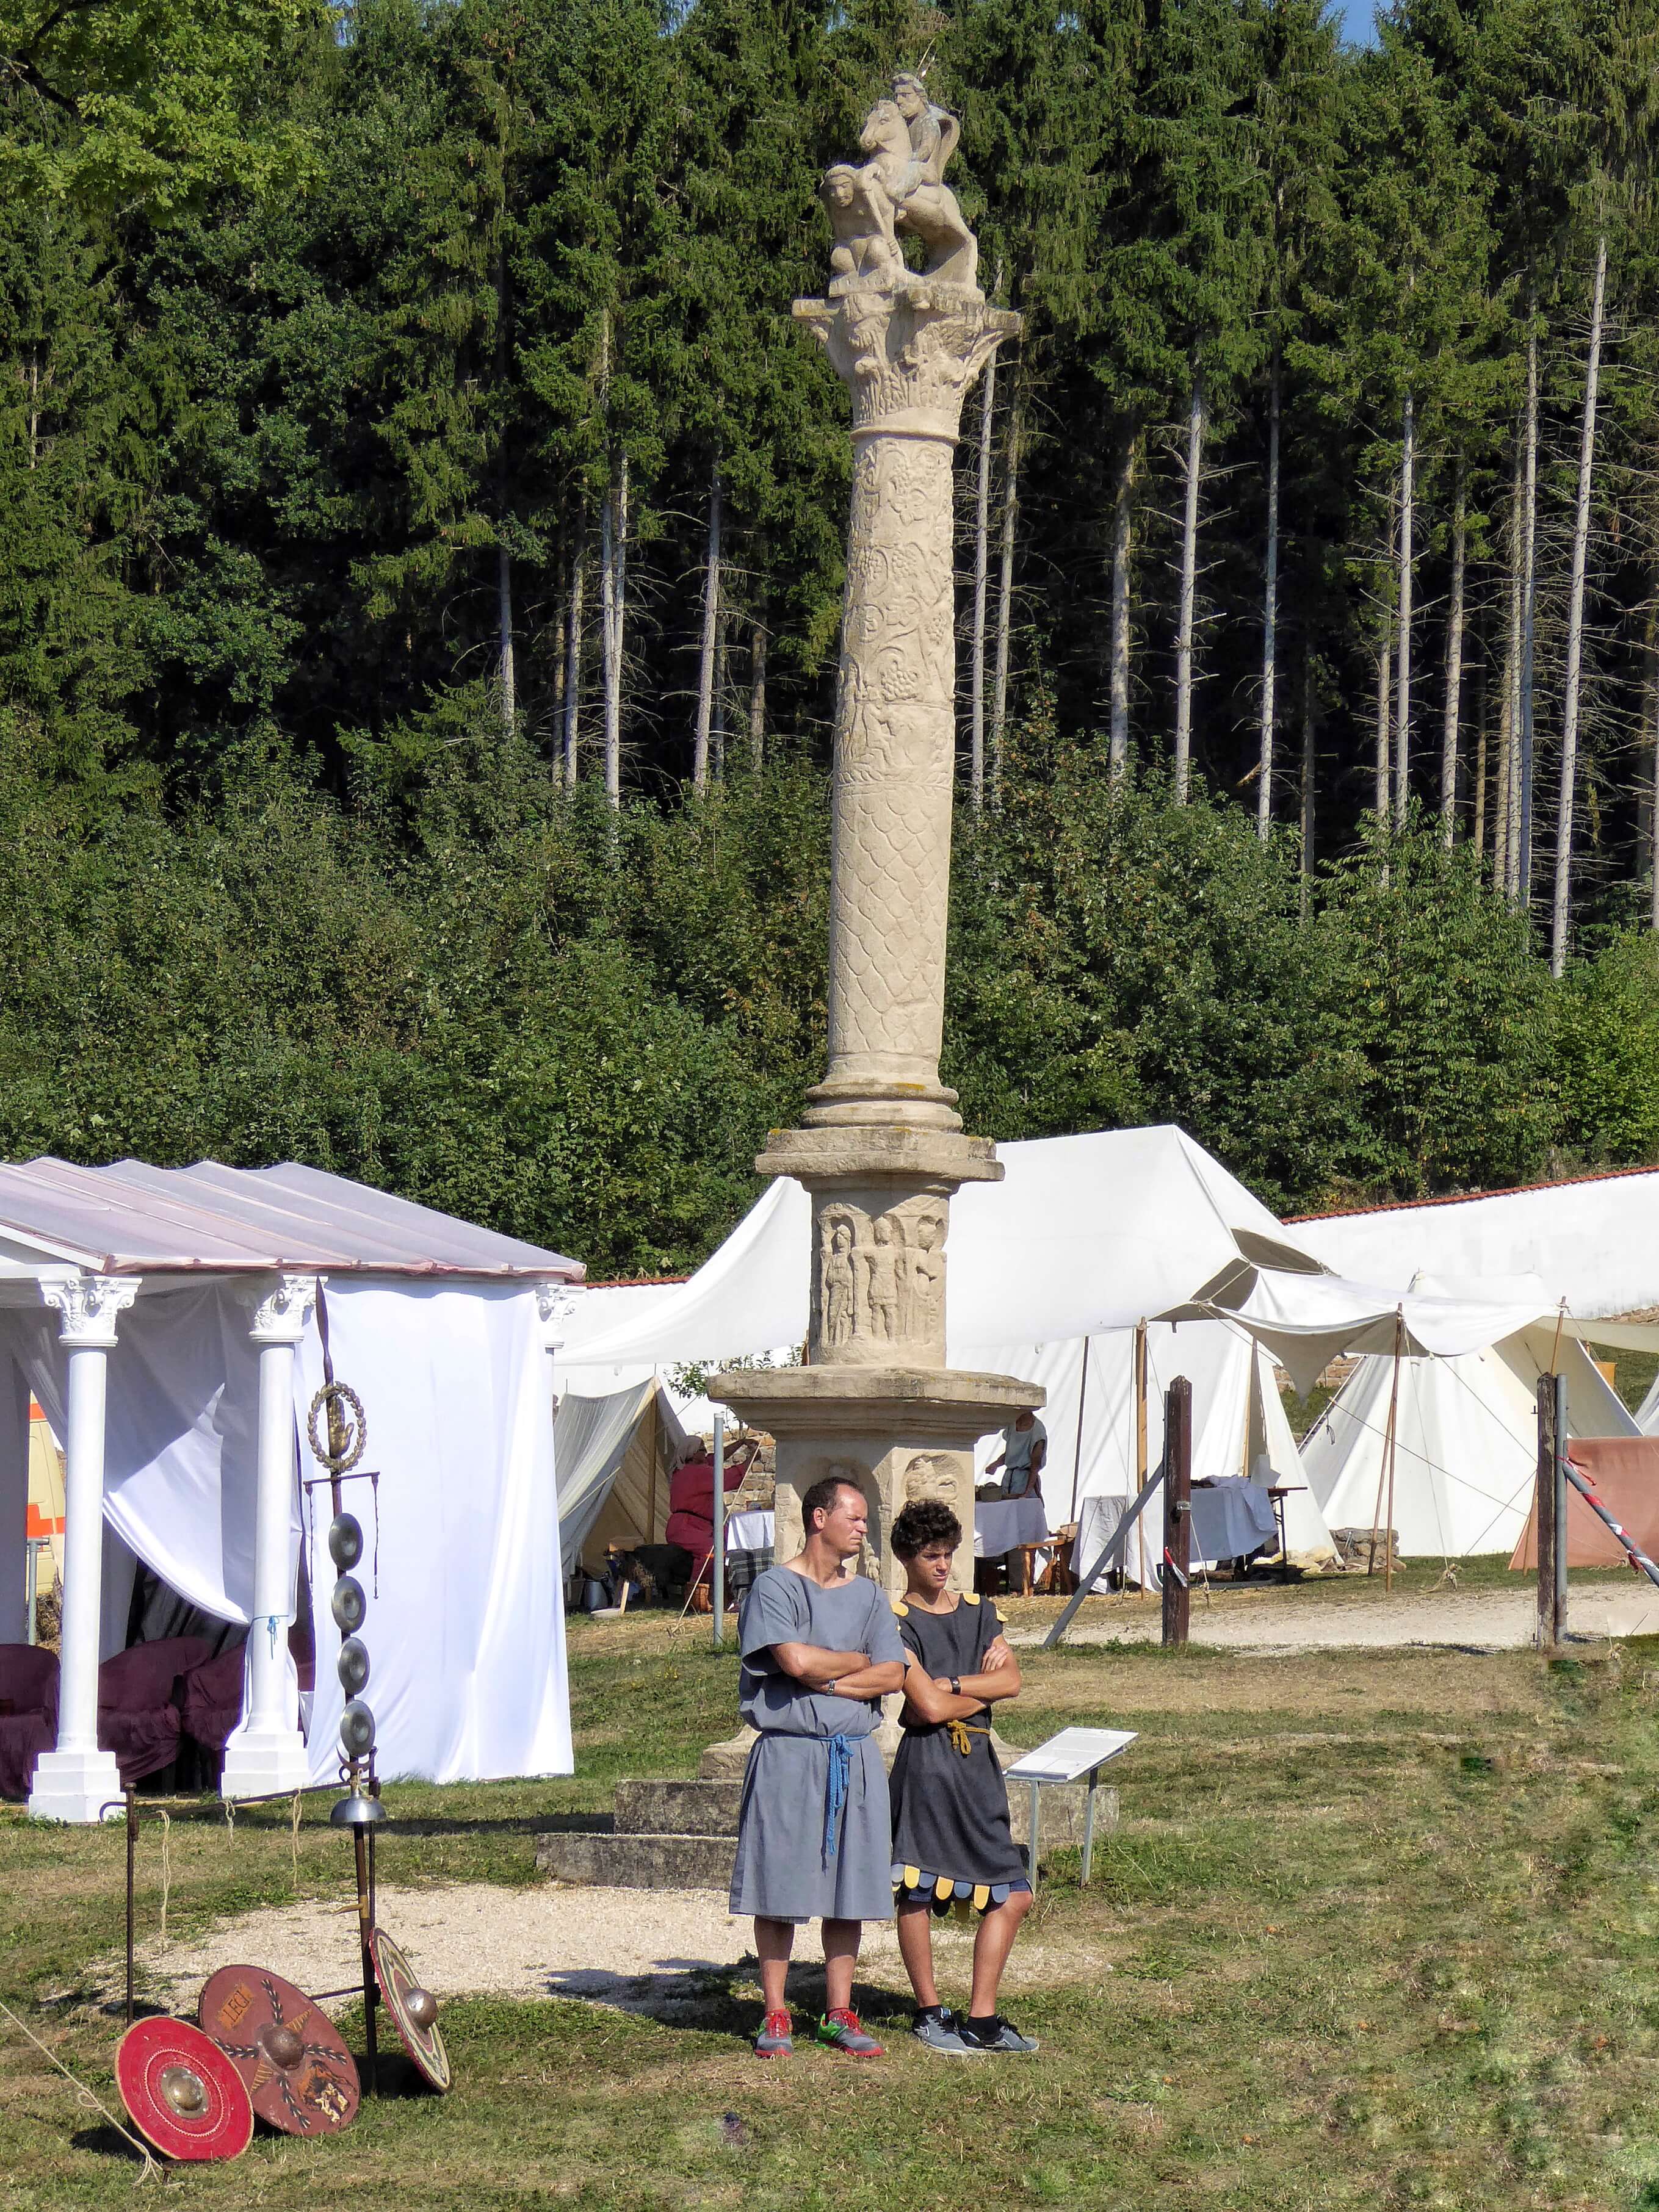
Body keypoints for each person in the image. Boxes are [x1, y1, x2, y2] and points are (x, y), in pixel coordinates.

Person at [729, 1474, 906, 2059]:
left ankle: (838, 2010)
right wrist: (852, 1665)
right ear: (818, 1518)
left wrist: (828, 1677)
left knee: (849, 1886)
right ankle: (775, 2011)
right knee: (778, 1885)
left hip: (852, 1756)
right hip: (790, 1752)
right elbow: (792, 1658)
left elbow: (894, 1672)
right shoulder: (776, 1588)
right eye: (853, 1516)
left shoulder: (869, 1597)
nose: (862, 1526)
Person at [887, 1499, 1038, 2054]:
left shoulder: (980, 1611)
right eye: (932, 1555)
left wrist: (946, 1684)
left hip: (977, 1762)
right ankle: (929, 2011)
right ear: (908, 1557)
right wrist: (970, 1686)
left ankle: (982, 2017)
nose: (944, 1564)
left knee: (1013, 1892)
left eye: (949, 1553)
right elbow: (921, 1707)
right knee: (918, 1889)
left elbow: (1013, 1682)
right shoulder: (895, 1621)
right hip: (926, 1765)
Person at [986, 1408, 1046, 1500]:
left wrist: (1026, 1493)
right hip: (1009, 1480)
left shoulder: (1037, 1430)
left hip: (1026, 1481)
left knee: (1022, 1512)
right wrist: (995, 1465)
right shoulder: (1012, 1424)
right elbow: (1011, 1454)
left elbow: (1035, 1465)